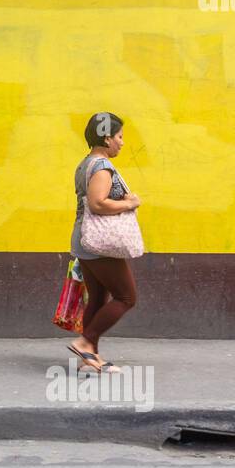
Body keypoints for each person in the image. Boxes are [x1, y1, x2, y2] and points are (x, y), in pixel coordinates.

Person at [67, 112, 140, 374]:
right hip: (99, 241)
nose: (122, 143)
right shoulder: (101, 167)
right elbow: (98, 204)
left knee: (98, 298)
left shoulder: (85, 163)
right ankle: (85, 342)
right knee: (126, 296)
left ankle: (89, 358)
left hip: (84, 239)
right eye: (119, 137)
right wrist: (129, 203)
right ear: (107, 138)